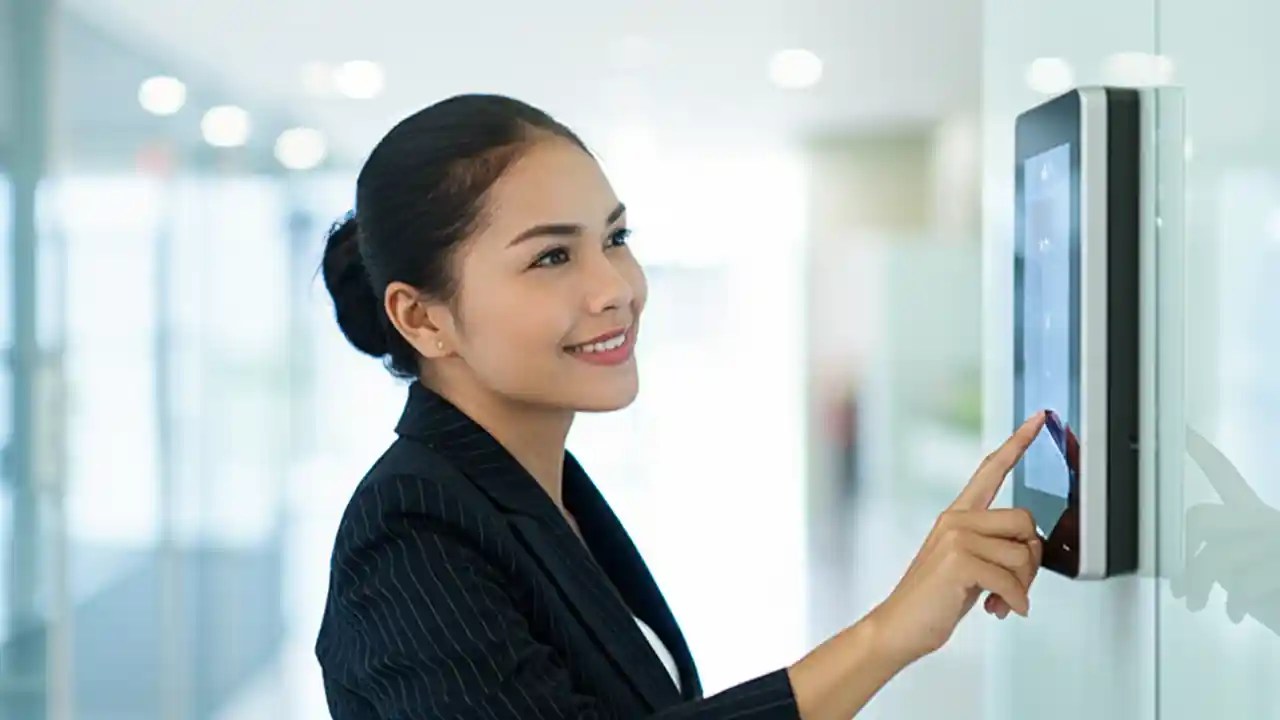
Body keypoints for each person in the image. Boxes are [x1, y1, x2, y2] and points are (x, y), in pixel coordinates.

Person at [315, 93, 1046, 720]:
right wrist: (887, 635)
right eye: (551, 257)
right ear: (422, 319)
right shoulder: (407, 532)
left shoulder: (540, 494)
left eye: (615, 238)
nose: (617, 287)